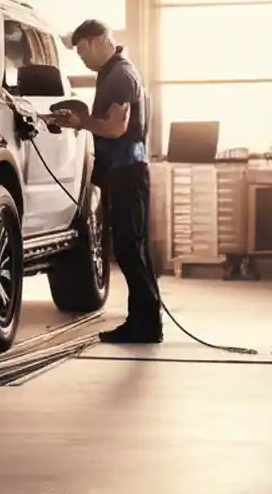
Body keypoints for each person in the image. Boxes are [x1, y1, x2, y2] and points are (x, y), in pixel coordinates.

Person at [53, 19, 163, 344]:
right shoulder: (115, 72)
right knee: (131, 249)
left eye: (83, 48)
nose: (81, 58)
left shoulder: (119, 75)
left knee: (131, 249)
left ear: (101, 39)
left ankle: (145, 325)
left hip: (129, 173)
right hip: (125, 172)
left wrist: (81, 122)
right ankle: (143, 323)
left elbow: (115, 128)